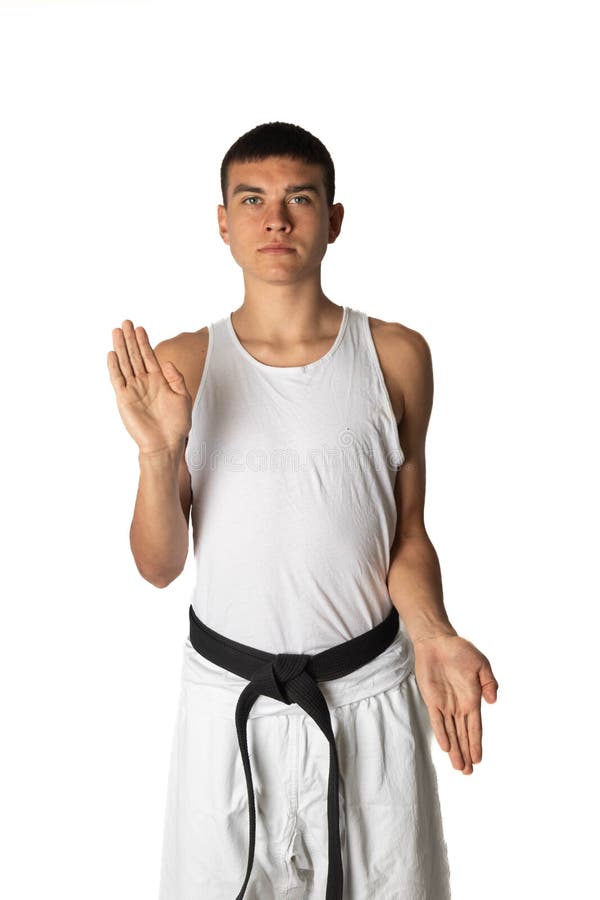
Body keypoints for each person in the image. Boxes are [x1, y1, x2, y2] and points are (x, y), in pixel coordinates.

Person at [107, 121, 499, 900]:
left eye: (299, 199)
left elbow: (406, 536)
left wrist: (434, 633)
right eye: (251, 200)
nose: (275, 219)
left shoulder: (394, 354)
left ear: (334, 219)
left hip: (368, 700)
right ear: (223, 222)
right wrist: (158, 457)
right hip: (230, 707)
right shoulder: (184, 365)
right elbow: (158, 567)